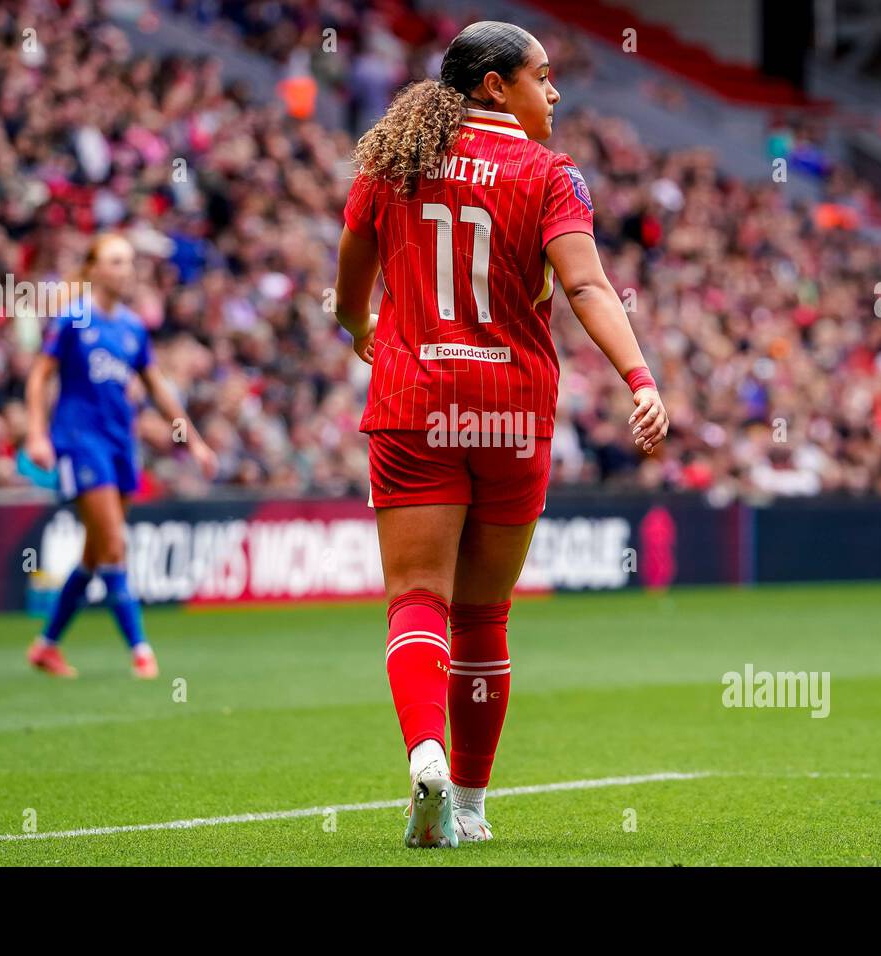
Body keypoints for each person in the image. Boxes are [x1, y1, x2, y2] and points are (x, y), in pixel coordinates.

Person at [334, 21, 668, 848]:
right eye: (541, 77)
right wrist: (639, 378)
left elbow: (349, 275)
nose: (553, 93)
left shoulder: (392, 165)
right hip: (511, 410)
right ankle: (473, 809)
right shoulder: (551, 174)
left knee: (417, 600)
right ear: (494, 87)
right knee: (484, 615)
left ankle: (424, 756)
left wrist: (359, 328)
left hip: (414, 401)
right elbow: (587, 285)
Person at [23, 233, 217, 679]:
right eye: (115, 261)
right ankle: (141, 649)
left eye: (128, 262)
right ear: (93, 269)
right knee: (114, 544)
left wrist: (196, 441)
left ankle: (46, 645)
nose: (125, 270)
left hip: (119, 444)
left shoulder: (132, 327)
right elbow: (39, 376)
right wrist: (36, 434)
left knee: (95, 553)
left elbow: (158, 390)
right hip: (78, 441)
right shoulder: (72, 319)